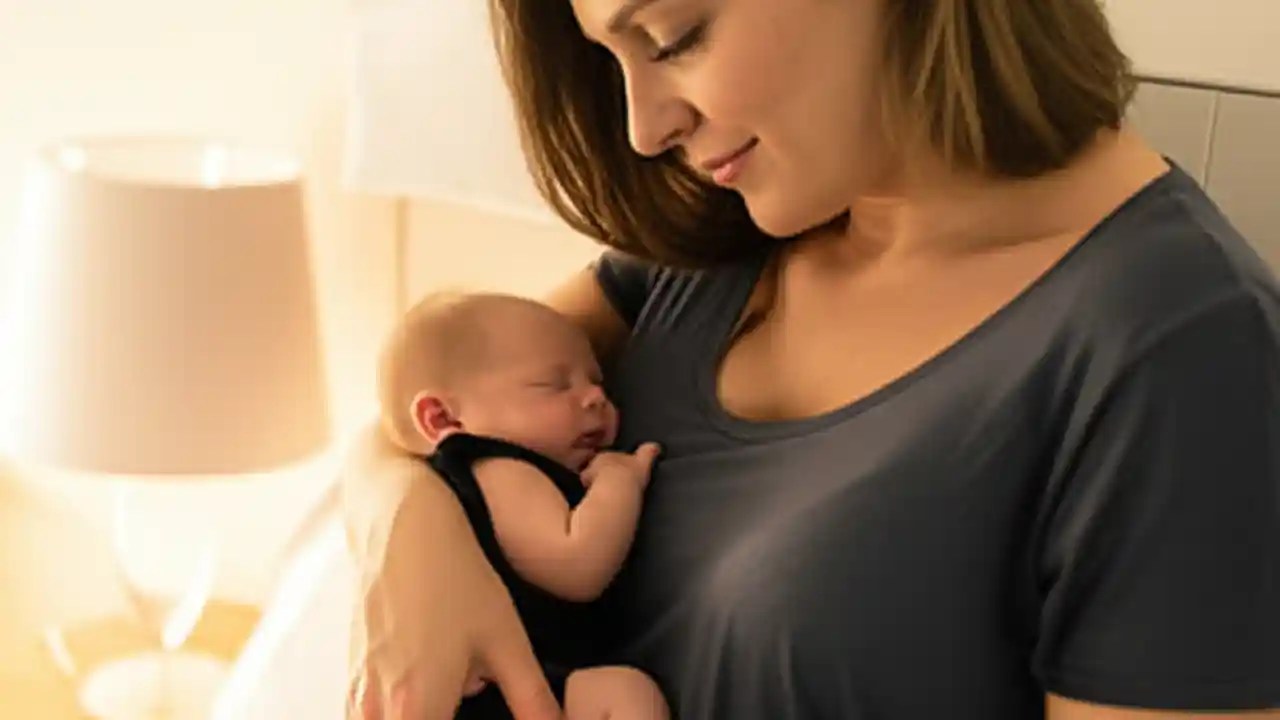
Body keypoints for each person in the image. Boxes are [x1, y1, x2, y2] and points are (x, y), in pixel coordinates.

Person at [344, 0, 1280, 718]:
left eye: (673, 37)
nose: (643, 127)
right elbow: (417, 416)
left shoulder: (1184, 354)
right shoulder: (709, 246)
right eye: (610, 58)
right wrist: (406, 530)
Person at [368, 292, 670, 719]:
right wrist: (618, 481)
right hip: (496, 691)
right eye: (554, 384)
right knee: (625, 695)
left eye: (596, 381)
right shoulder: (495, 467)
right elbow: (576, 563)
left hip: (523, 687)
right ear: (443, 419)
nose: (594, 398)